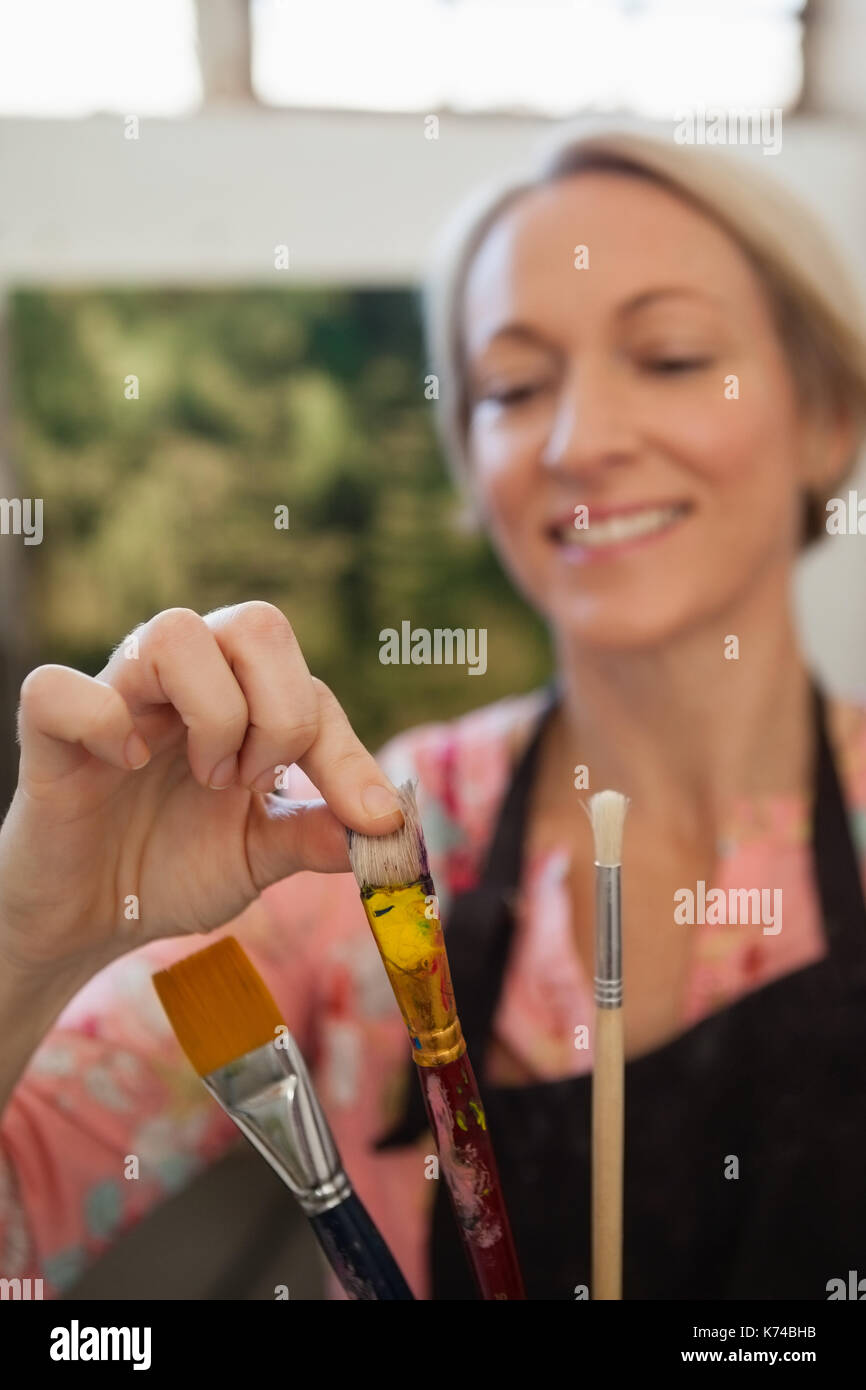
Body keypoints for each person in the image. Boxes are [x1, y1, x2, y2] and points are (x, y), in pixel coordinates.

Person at [2, 125, 866, 1301]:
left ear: (825, 418)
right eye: (513, 388)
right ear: (470, 460)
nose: (579, 442)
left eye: (667, 358)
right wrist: (35, 935)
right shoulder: (358, 848)